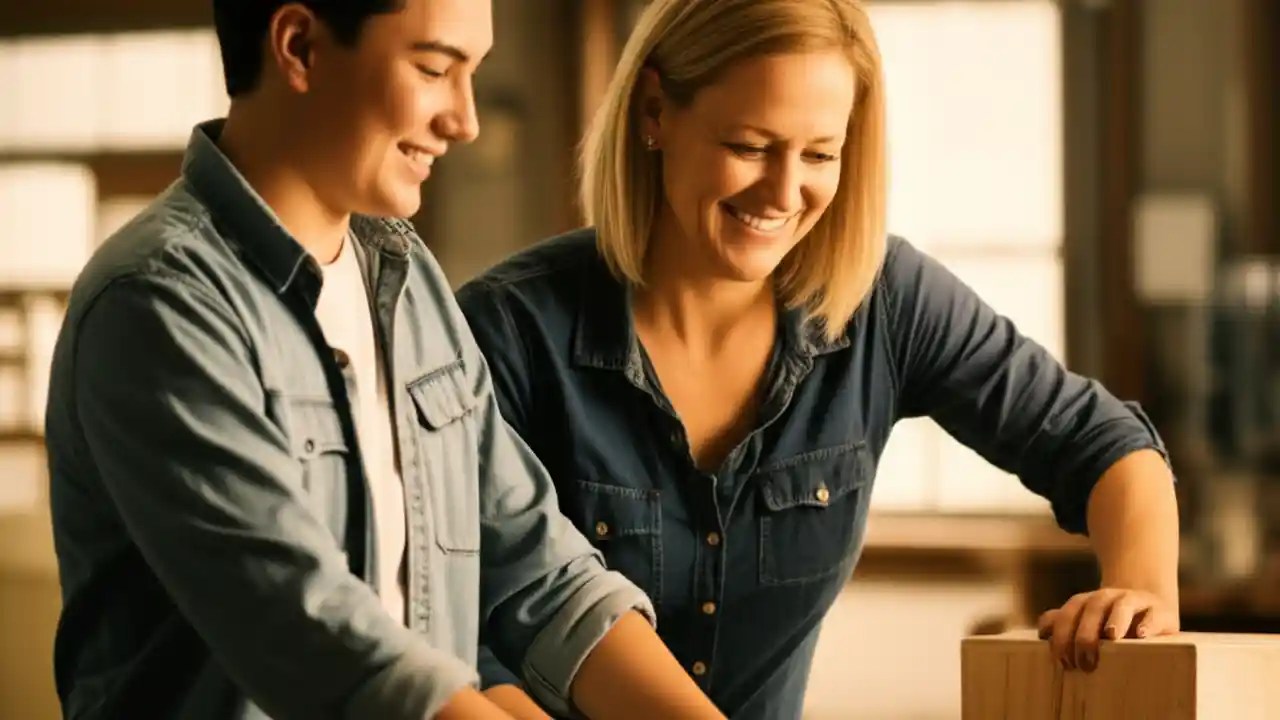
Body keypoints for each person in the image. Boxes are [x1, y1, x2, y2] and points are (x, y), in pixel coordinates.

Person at [456, 0, 1182, 717]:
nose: (783, 193)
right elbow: (453, 635)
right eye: (749, 146)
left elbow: (1101, 441)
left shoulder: (887, 302)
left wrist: (1142, 594)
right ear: (654, 111)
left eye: (819, 155)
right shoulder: (507, 332)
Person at [43, 1, 728, 718]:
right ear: (300, 47)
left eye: (472, 74)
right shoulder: (159, 303)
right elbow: (322, 644)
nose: (465, 121)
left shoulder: (404, 276)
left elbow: (539, 573)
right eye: (433, 69)